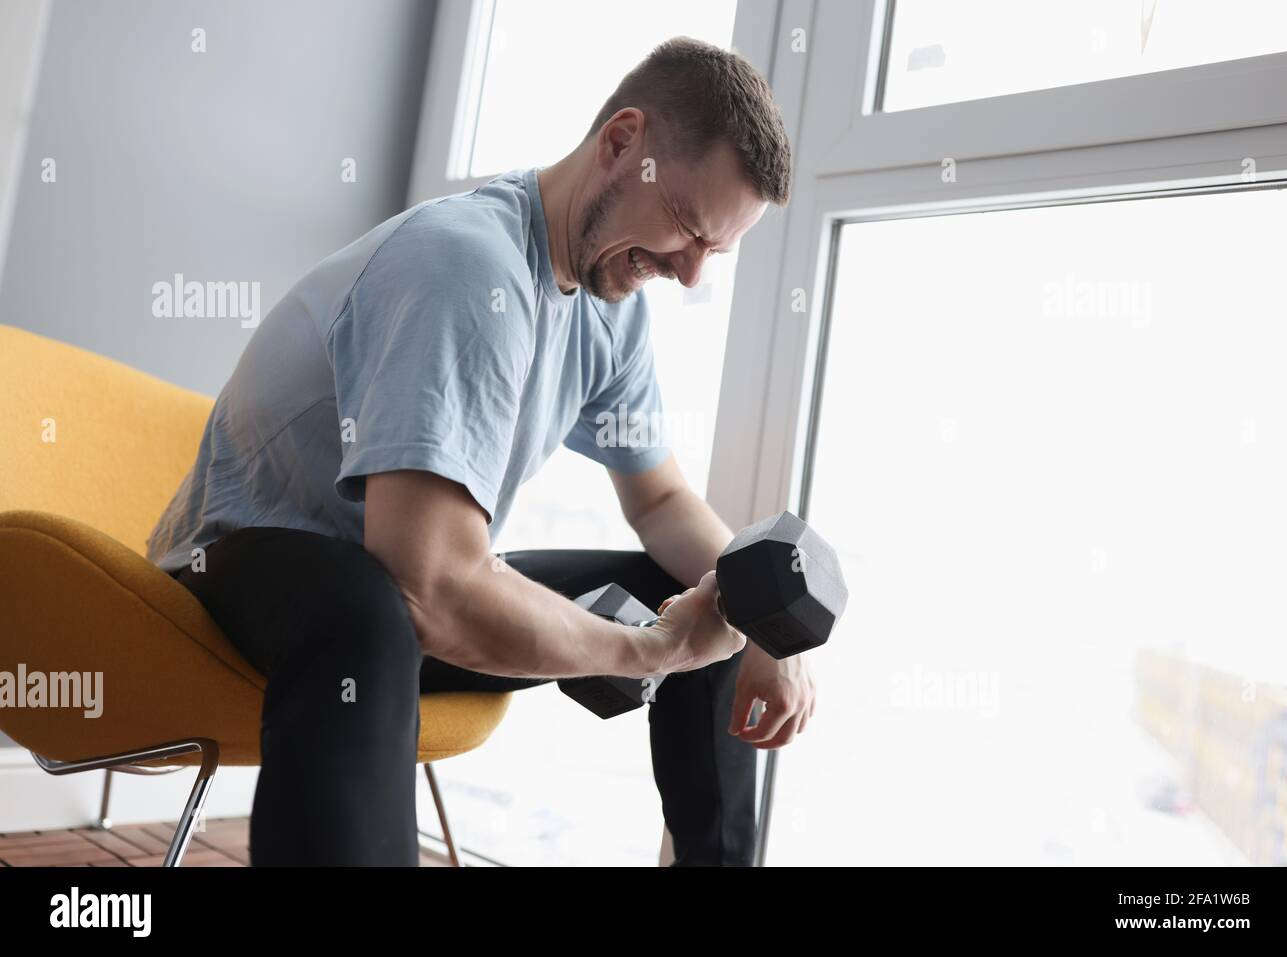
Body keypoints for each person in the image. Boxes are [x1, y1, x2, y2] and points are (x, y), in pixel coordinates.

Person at [147, 36, 806, 866]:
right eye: (685, 228)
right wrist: (652, 649)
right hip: (237, 573)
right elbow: (431, 587)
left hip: (392, 598)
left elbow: (664, 503)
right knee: (371, 606)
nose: (691, 275)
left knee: (703, 587)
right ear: (619, 143)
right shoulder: (466, 266)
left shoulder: (612, 307)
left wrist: (762, 621)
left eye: (718, 250)